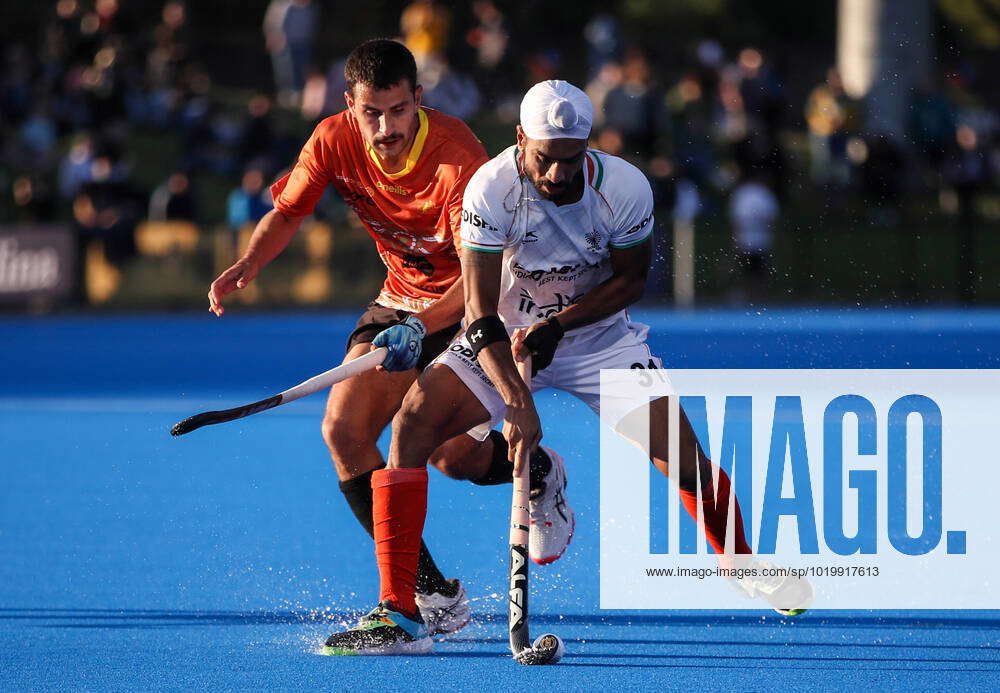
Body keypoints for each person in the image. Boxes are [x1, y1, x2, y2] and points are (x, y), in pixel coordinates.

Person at [322, 80, 813, 655]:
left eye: (571, 159)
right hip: (502, 336)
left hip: (599, 341)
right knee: (414, 426)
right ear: (520, 140)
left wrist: (557, 327)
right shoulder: (490, 189)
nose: (558, 174)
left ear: (588, 145)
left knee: (683, 459)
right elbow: (478, 308)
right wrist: (516, 398)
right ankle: (400, 610)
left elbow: (629, 282)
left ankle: (743, 562)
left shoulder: (624, 187)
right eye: (545, 159)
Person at [207, 39, 576, 639]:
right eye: (371, 113)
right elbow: (290, 211)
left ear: (418, 100)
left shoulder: (457, 158)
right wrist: (249, 262)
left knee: (452, 458)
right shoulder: (332, 139)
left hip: (473, 305)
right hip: (399, 299)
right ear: (349, 105)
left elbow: (483, 275)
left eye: (399, 111)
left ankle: (539, 475)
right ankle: (428, 595)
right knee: (344, 430)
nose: (386, 128)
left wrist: (423, 326)